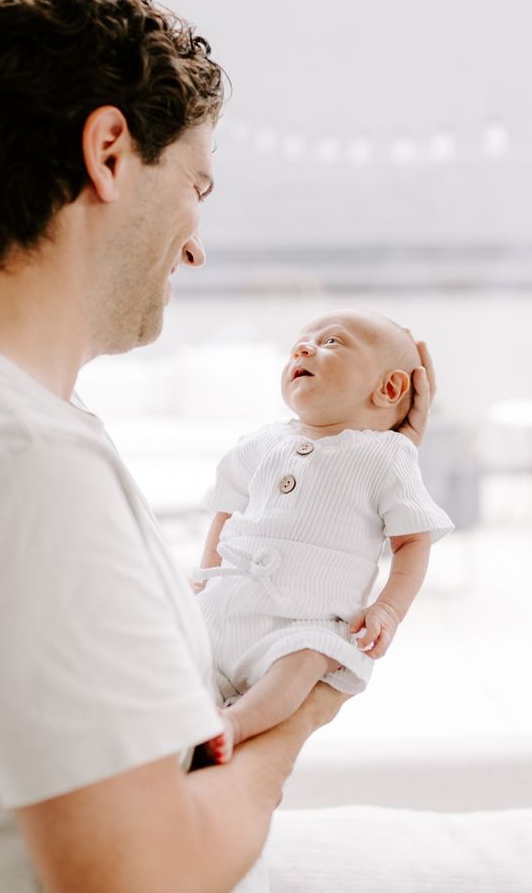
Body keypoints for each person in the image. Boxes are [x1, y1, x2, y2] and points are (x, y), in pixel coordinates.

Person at [0, 0, 435, 892]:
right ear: (108, 152)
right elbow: (149, 873)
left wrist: (369, 460)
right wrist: (310, 701)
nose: (195, 243)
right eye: (194, 184)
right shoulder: (19, 467)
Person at [192, 310, 453, 766]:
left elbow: (413, 541)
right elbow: (226, 511)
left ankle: (235, 723)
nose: (304, 348)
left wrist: (387, 610)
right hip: (221, 609)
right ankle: (175, 718)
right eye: (301, 342)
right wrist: (202, 578)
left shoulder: (386, 456)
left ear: (388, 389)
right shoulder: (262, 442)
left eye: (331, 342)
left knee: (309, 658)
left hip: (304, 624)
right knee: (173, 636)